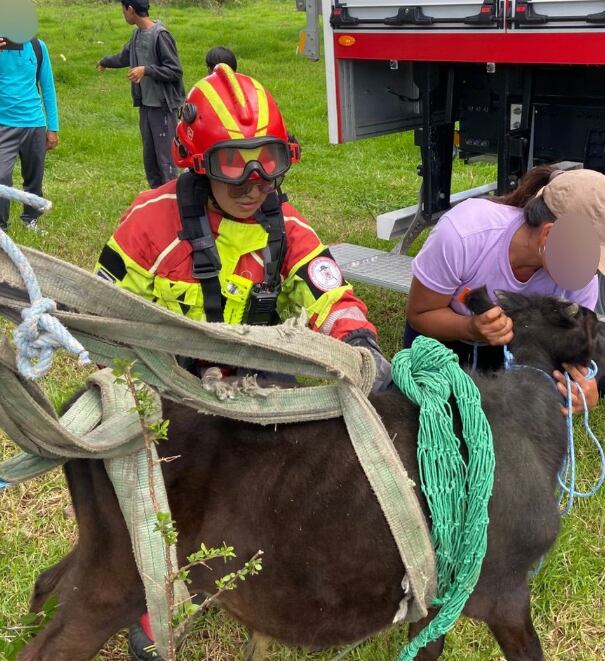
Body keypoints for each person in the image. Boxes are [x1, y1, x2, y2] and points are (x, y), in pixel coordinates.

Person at [95, 64, 391, 661]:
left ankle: (264, 567)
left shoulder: (290, 233)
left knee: (284, 484)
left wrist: (359, 341)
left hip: (261, 388)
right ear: (198, 161)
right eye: (235, 161)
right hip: (171, 386)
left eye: (270, 160)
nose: (255, 181)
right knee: (166, 495)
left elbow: (331, 296)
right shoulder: (150, 227)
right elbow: (102, 308)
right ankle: (161, 590)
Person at [405, 165, 605, 414]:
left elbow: (576, 350)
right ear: (548, 236)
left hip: (509, 351)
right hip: (443, 339)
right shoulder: (463, 234)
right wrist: (470, 329)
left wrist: (586, 386)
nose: (591, 272)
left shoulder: (582, 277)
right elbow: (420, 314)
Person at [0, 22, 59, 230]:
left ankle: (30, 219)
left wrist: (53, 127)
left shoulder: (37, 46)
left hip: (34, 122)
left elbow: (48, 87)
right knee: (0, 176)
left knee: (34, 176)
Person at [97, 0, 184, 188]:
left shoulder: (160, 35)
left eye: (123, 10)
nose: (123, 14)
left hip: (162, 108)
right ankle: (156, 203)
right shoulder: (136, 35)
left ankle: (174, 204)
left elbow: (175, 70)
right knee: (151, 162)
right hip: (146, 107)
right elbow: (124, 57)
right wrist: (105, 61)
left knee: (166, 162)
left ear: (130, 9)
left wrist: (147, 70)